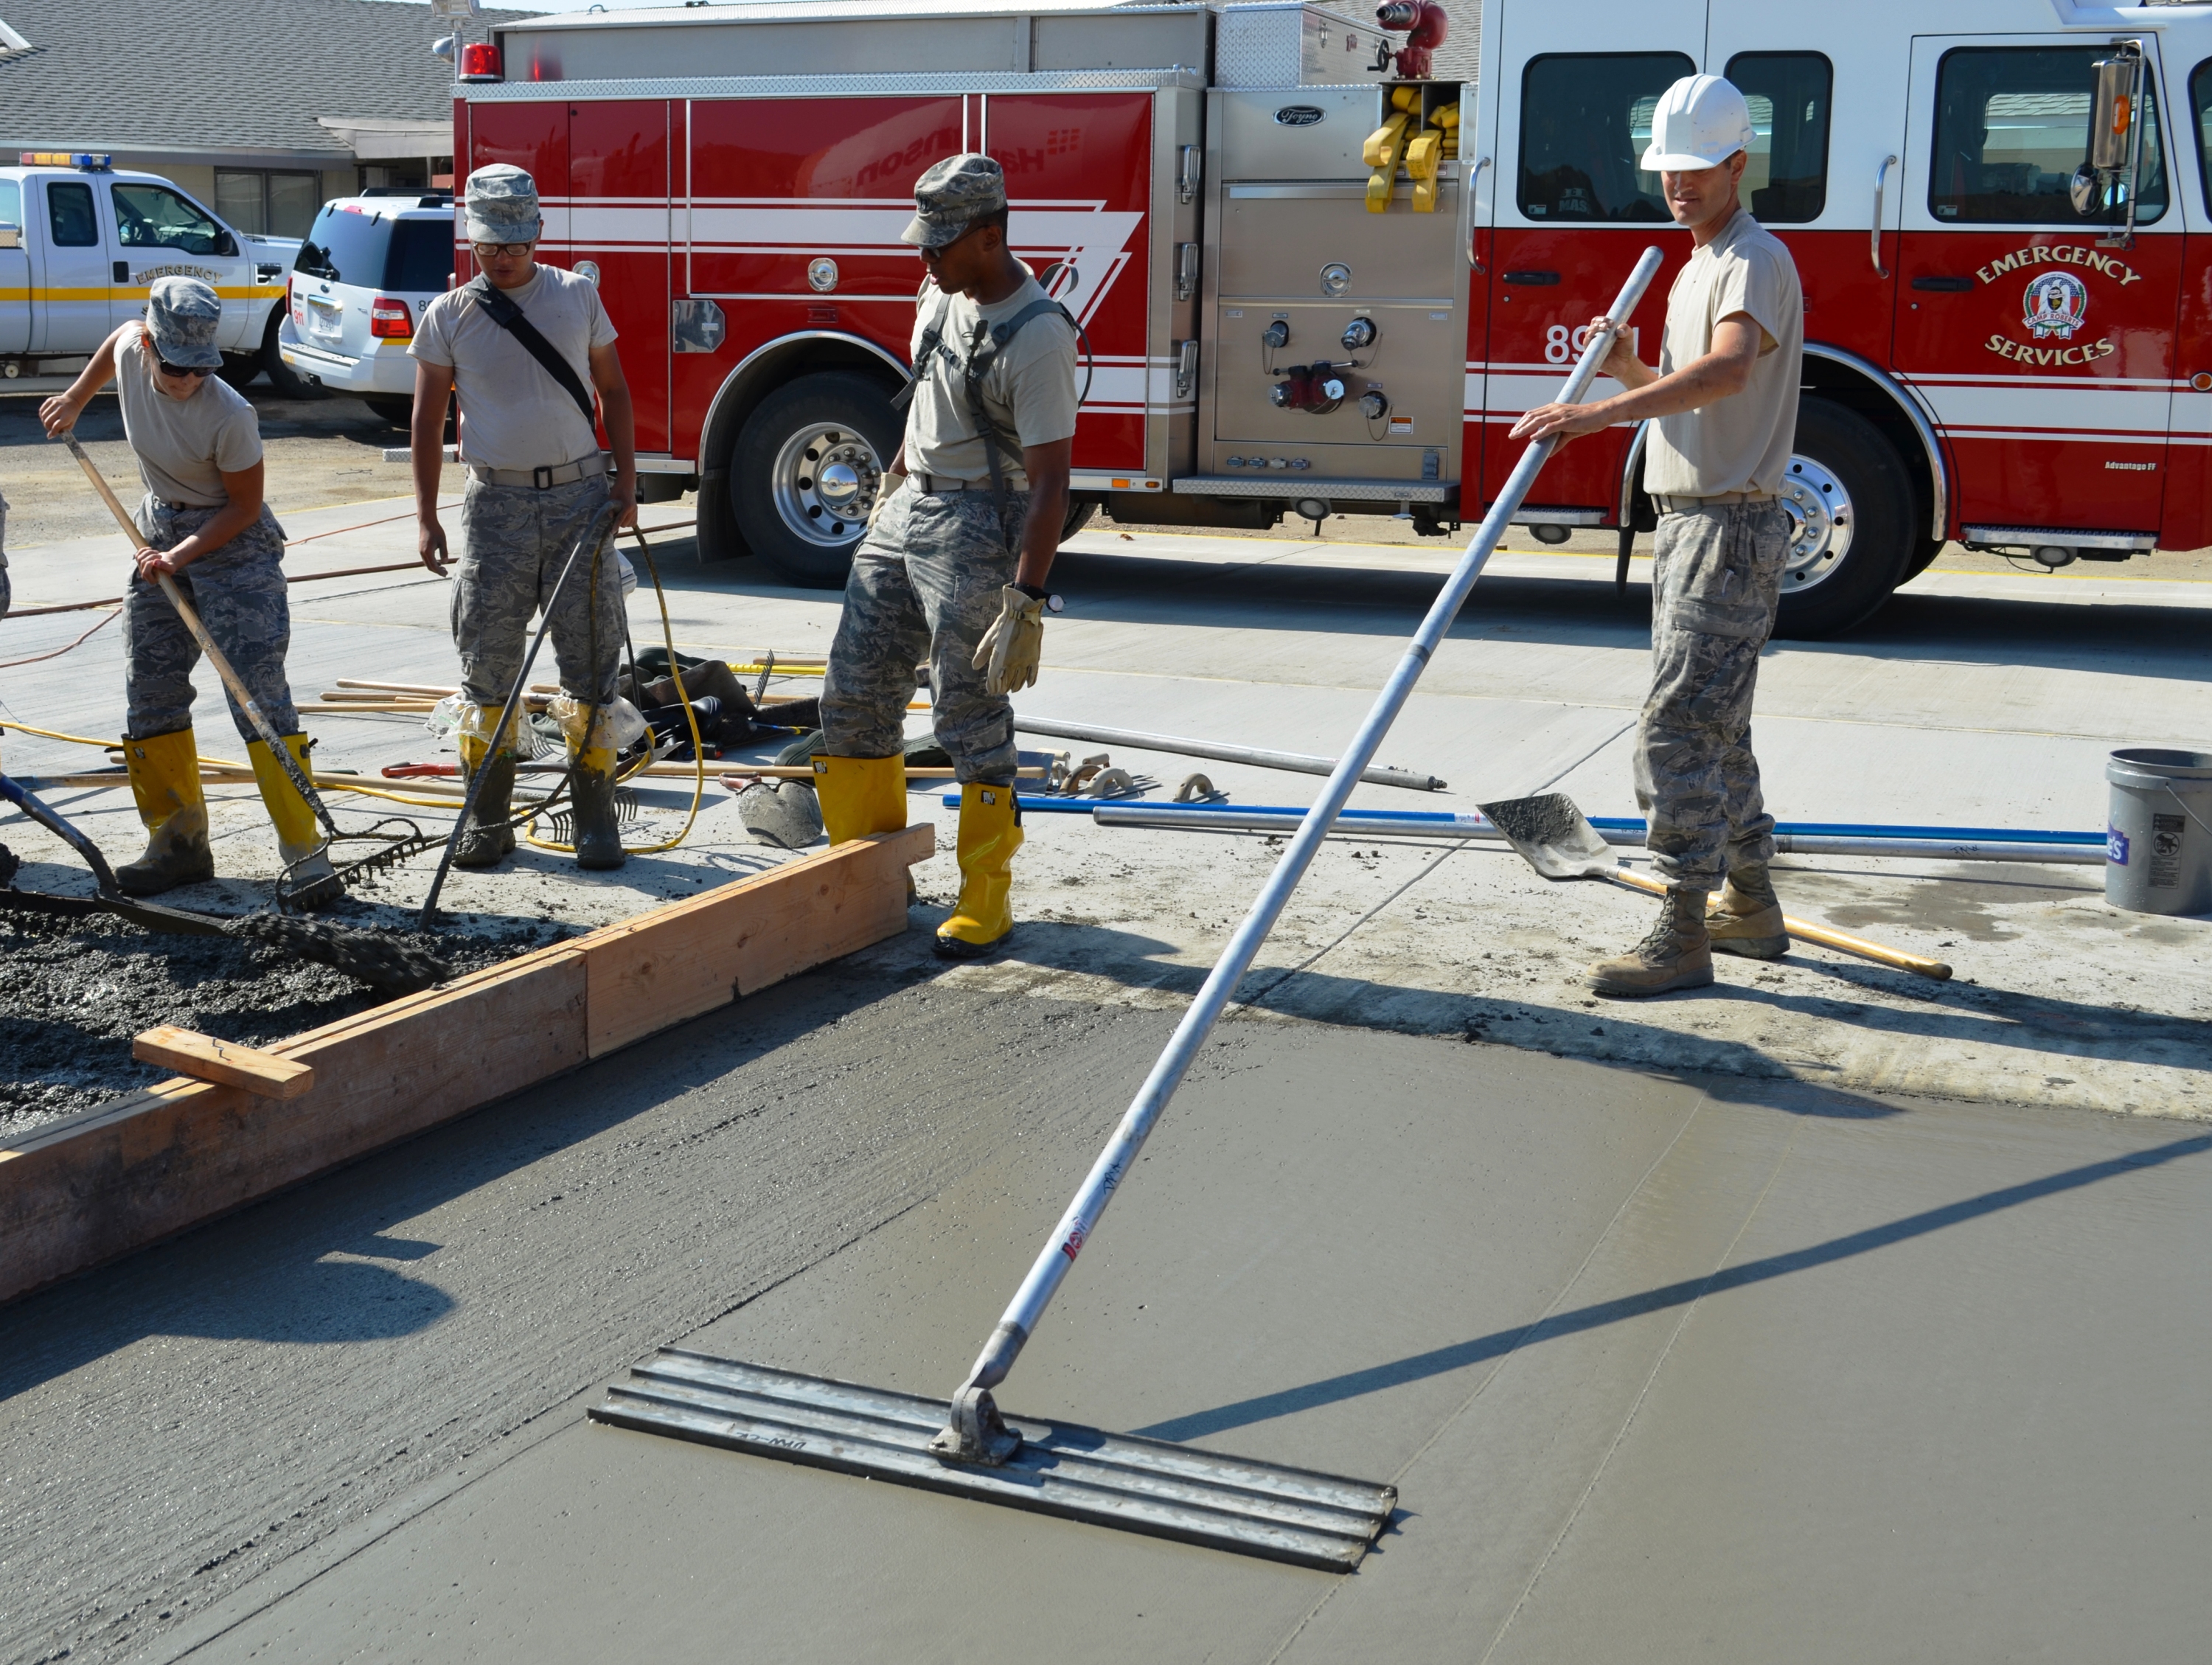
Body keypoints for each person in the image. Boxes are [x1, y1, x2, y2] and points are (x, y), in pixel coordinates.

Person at [1510, 74, 1804, 996]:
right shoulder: (1699, 262)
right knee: (1718, 728)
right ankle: (1749, 903)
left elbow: (1726, 373)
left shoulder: (1751, 258)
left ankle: (1683, 930)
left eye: (1697, 170)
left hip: (1728, 525)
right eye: (1669, 169)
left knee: (1676, 731)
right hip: (1694, 522)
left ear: (1737, 166)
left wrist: (1593, 414)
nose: (1678, 183)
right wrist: (1633, 367)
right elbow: (1694, 392)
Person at [813, 153, 1078, 959]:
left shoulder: (1037, 337)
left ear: (990, 237)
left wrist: (1026, 599)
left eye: (940, 242)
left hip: (979, 522)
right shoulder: (940, 293)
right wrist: (894, 488)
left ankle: (984, 897)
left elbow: (1050, 483)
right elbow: (927, 398)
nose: (923, 255)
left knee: (967, 711)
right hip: (907, 508)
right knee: (853, 696)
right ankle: (867, 883)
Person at [39, 277, 335, 904]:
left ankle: (306, 853)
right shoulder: (132, 346)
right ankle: (177, 846)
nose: (188, 380)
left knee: (255, 694)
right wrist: (74, 398)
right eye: (176, 367)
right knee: (151, 689)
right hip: (159, 533)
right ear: (150, 347)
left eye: (201, 368)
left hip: (234, 548)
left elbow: (245, 507)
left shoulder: (230, 414)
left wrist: (179, 556)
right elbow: (115, 341)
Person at [410, 163, 638, 870]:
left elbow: (614, 392)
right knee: (487, 664)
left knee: (592, 660)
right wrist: (426, 516)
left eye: (514, 243)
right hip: (495, 507)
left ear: (538, 233)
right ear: (470, 239)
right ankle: (488, 820)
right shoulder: (449, 314)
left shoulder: (576, 296)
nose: (502, 257)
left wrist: (627, 483)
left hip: (580, 502)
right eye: (488, 245)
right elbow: (427, 420)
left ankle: (596, 821)